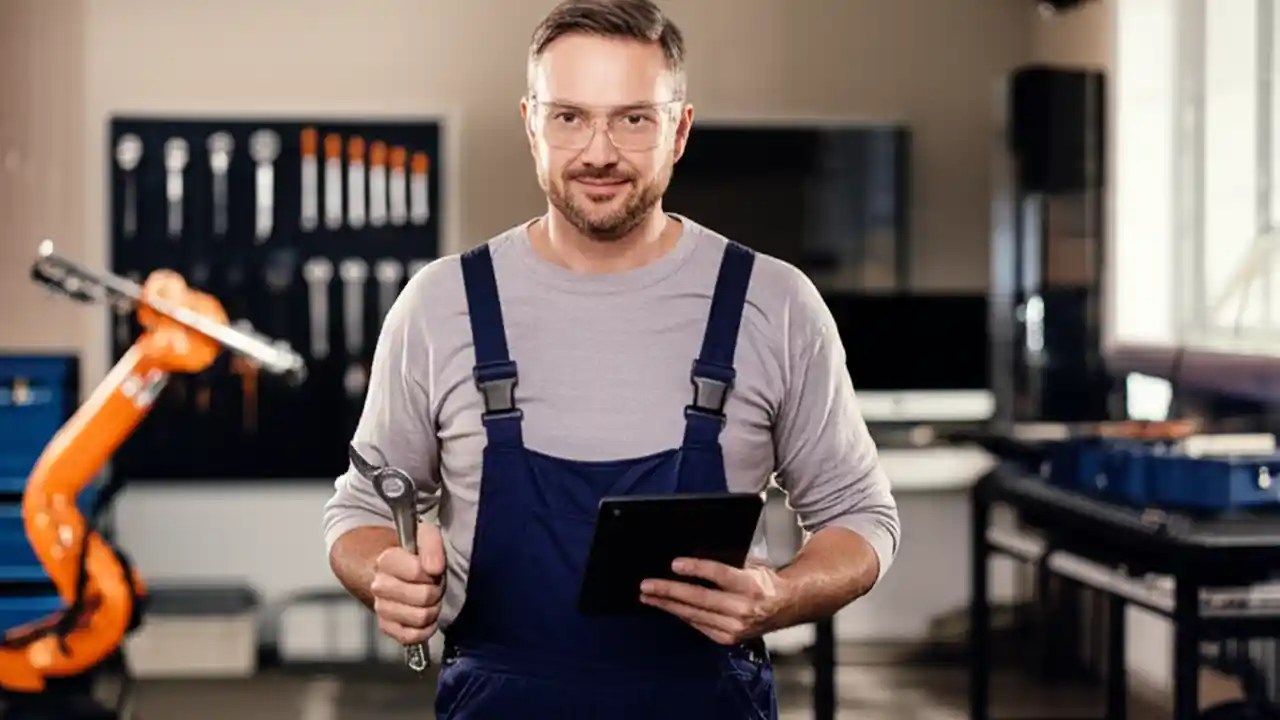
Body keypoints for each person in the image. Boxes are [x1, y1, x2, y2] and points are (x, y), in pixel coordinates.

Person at [323, 0, 900, 716]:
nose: (599, 152)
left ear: (679, 130)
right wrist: (386, 574)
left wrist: (780, 596)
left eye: (633, 119)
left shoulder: (775, 303)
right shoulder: (439, 306)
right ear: (531, 124)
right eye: (569, 117)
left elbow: (861, 518)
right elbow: (359, 511)